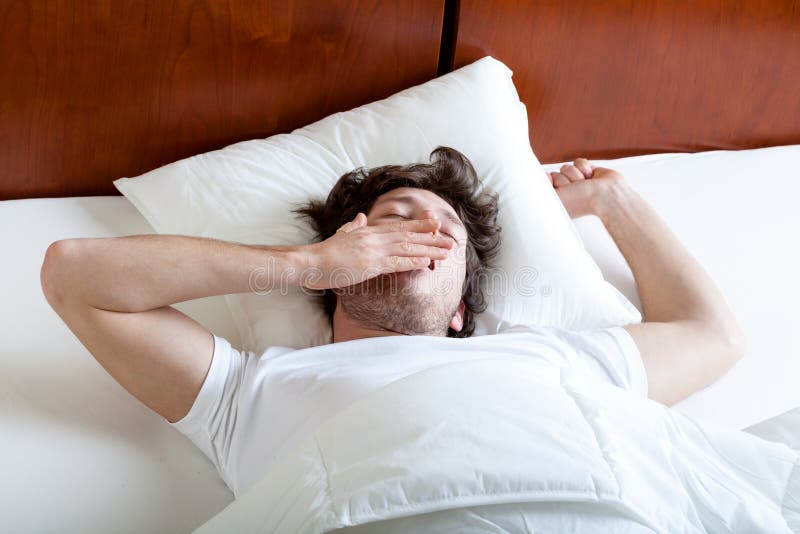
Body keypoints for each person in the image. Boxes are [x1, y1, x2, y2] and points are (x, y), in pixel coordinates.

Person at [40, 146, 745, 498]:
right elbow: (74, 275)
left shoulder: (546, 358)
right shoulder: (249, 392)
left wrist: (615, 204)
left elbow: (713, 335)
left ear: (462, 307)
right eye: (393, 221)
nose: (418, 233)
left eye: (444, 234)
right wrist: (305, 265)